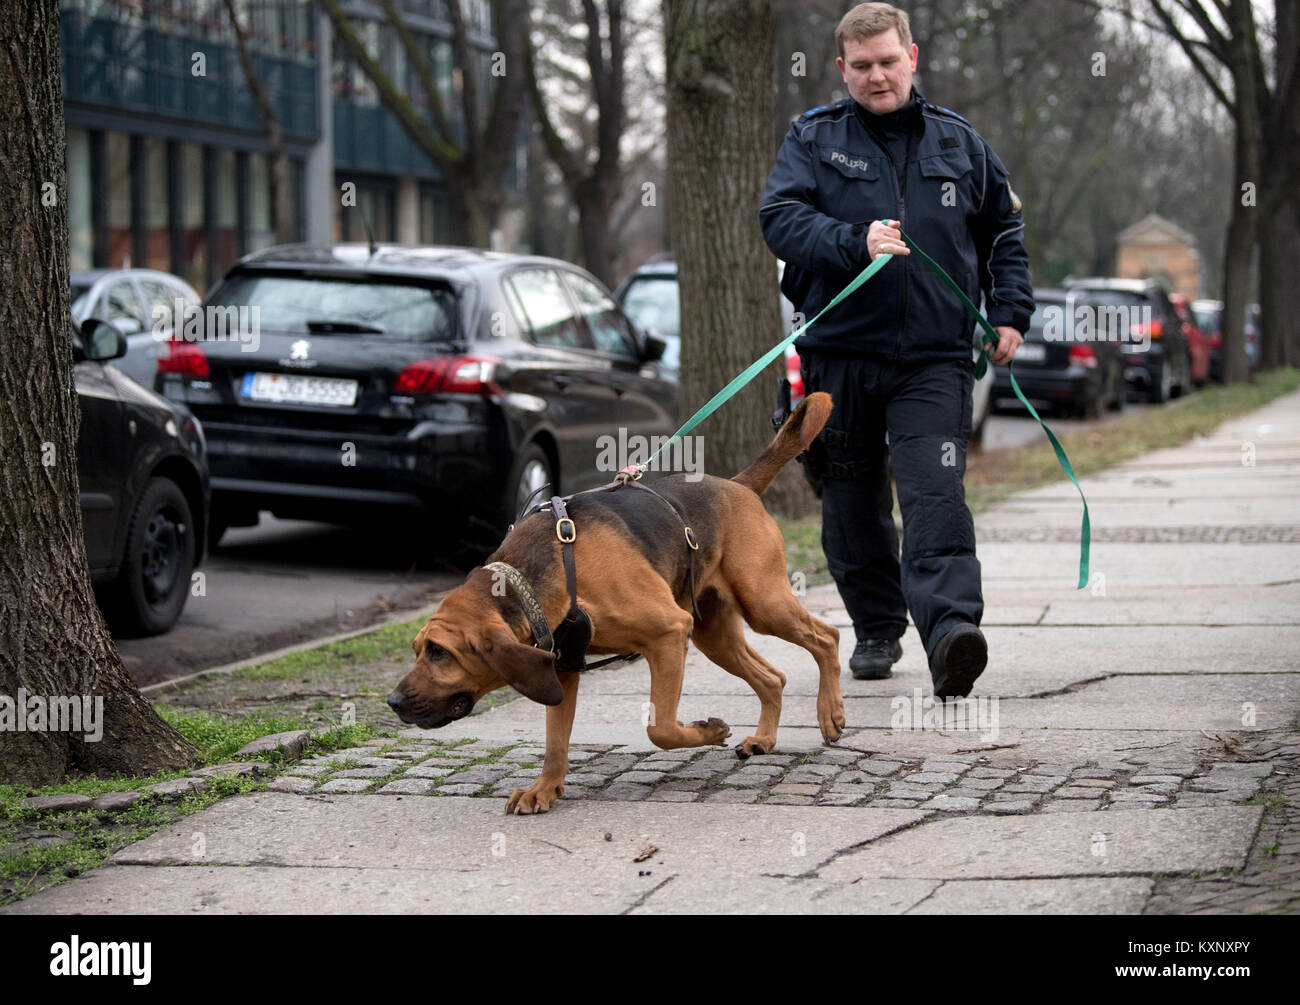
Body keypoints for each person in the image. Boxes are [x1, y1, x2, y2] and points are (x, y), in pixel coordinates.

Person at [758, 2, 1033, 697]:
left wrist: (1009, 313)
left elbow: (1004, 233)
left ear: (912, 57)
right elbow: (781, 219)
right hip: (839, 354)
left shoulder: (961, 143)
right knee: (850, 501)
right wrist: (855, 242)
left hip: (935, 358)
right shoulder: (813, 139)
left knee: (934, 489)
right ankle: (878, 626)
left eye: (888, 61)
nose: (877, 76)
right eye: (863, 66)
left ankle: (950, 634)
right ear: (842, 69)